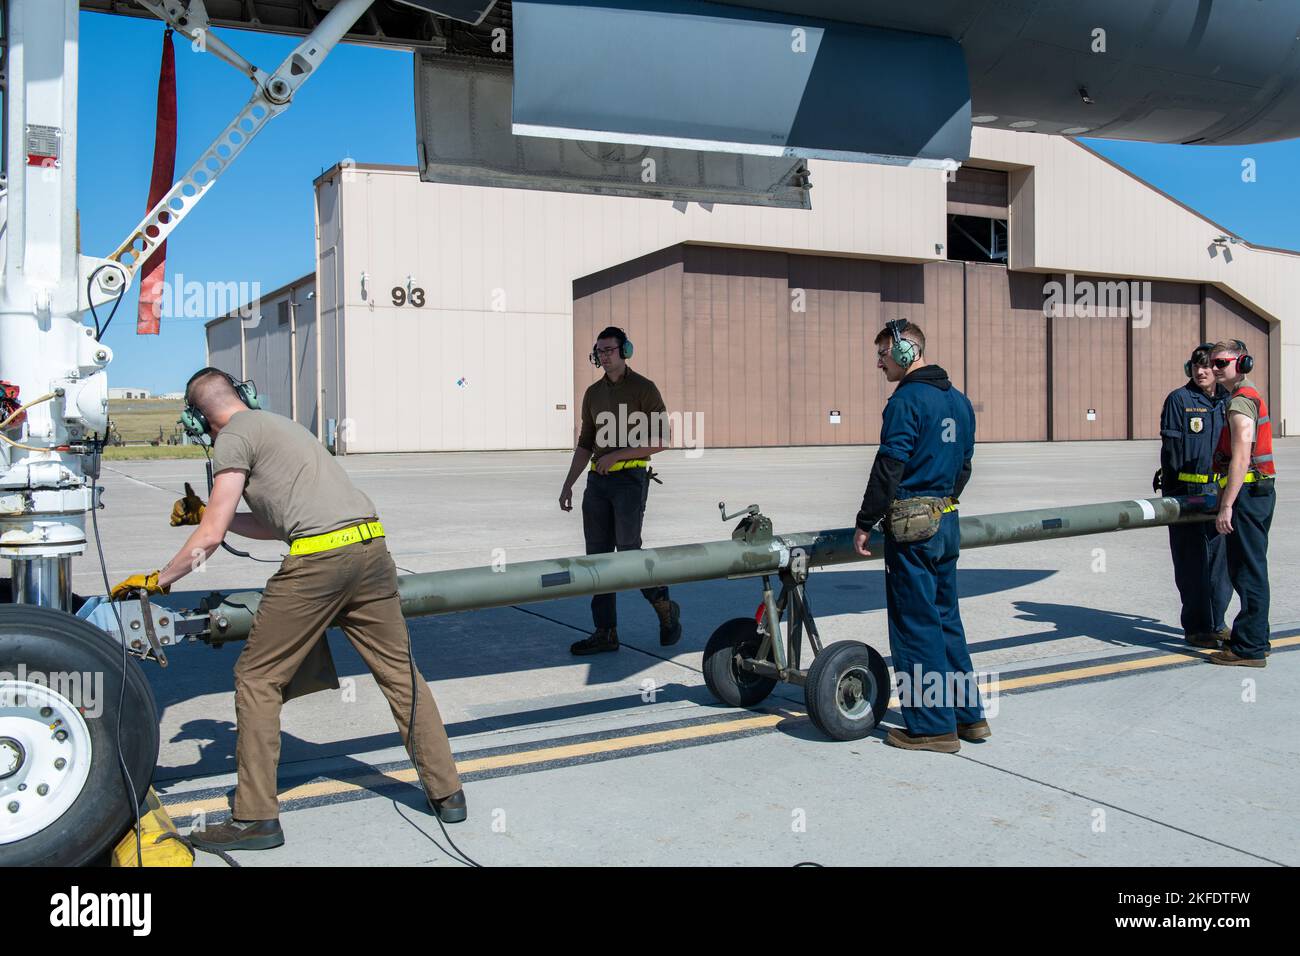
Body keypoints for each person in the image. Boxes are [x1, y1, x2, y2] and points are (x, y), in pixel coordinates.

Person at [110, 368, 465, 850]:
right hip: (372, 549)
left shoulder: (231, 439)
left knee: (257, 679)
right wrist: (217, 515)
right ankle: (448, 792)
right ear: (243, 394)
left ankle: (255, 819)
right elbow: (274, 522)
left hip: (321, 563)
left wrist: (160, 580)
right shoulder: (279, 425)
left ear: (197, 418)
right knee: (401, 675)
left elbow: (210, 538)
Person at [852, 321, 982, 753]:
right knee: (947, 620)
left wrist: (865, 520)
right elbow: (964, 466)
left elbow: (890, 464)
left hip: (912, 528)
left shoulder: (906, 400)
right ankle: (968, 717)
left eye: (883, 353)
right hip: (947, 522)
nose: (878, 362)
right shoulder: (960, 402)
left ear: (905, 353)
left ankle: (931, 727)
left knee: (915, 623)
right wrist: (941, 502)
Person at [558, 326, 682, 654]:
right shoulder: (593, 394)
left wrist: (617, 455)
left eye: (610, 350)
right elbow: (586, 443)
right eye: (599, 351)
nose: (604, 356)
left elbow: (662, 440)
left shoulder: (644, 389)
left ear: (625, 350)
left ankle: (664, 606)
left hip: (630, 481)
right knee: (597, 559)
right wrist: (568, 483)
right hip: (597, 483)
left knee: (628, 552)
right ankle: (605, 632)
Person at [1156, 343, 1232, 648]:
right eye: (1196, 366)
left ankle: (1218, 623)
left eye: (1207, 366)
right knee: (1191, 563)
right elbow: (1171, 450)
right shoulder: (1179, 400)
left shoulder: (1228, 401)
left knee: (1219, 564)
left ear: (1217, 369)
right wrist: (1173, 495)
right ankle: (1197, 628)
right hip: (1186, 493)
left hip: (1219, 492)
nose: (1201, 372)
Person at [1206, 341, 1275, 667]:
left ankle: (1248, 649)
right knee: (1253, 568)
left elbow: (1241, 457)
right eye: (1212, 362)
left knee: (1247, 572)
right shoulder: (1246, 397)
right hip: (1258, 494)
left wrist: (1226, 506)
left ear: (1242, 363)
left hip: (1246, 498)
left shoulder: (1240, 403)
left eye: (1221, 362)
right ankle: (1257, 636)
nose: (1215, 368)